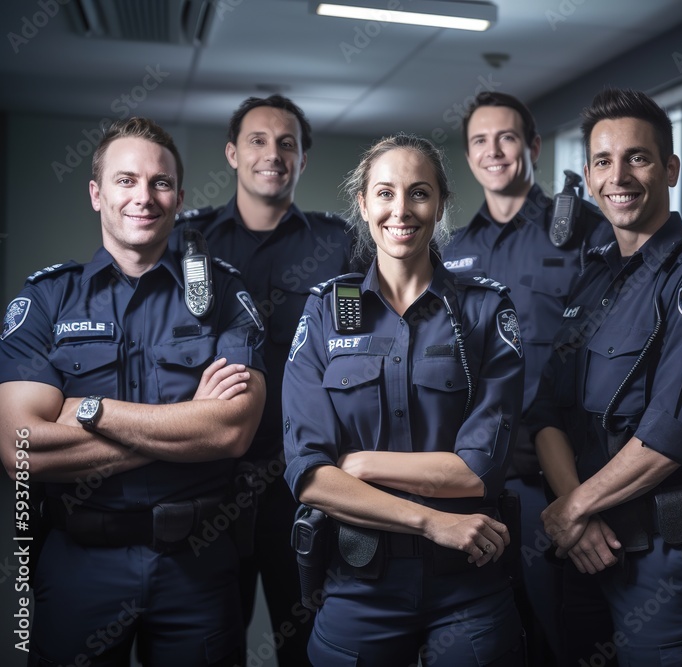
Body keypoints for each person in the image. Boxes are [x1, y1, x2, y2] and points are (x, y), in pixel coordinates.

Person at [0, 117, 266, 665]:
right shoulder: (48, 300)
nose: (143, 197)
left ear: (179, 198)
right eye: (125, 181)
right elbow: (20, 449)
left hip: (197, 564)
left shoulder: (225, 293)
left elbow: (233, 431)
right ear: (97, 194)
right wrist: (187, 422)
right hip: (79, 565)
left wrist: (90, 411)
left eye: (160, 183)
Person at [282, 133, 526, 665]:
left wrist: (359, 463)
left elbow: (478, 470)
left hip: (469, 584)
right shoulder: (325, 312)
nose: (401, 210)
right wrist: (432, 520)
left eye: (419, 193)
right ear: (364, 204)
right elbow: (307, 474)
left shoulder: (485, 311)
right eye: (385, 193)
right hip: (359, 580)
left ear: (439, 205)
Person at [529, 87, 682, 665]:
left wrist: (572, 511)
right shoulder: (592, 277)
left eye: (639, 157)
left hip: (661, 557)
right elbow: (547, 411)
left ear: (671, 168)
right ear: (588, 172)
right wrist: (576, 515)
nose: (618, 175)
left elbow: (671, 434)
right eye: (603, 161)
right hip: (584, 547)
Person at [173, 94, 353, 663]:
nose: (272, 154)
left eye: (287, 143)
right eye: (257, 140)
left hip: (301, 481)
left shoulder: (340, 242)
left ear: (303, 158)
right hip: (204, 481)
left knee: (305, 640)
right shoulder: (185, 243)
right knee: (203, 642)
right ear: (231, 153)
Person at [442, 90, 615, 665]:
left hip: (560, 477)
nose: (494, 152)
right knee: (487, 636)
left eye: (507, 137)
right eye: (479, 142)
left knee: (567, 636)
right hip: (479, 484)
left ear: (533, 147)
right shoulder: (453, 251)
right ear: (468, 157)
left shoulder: (590, 232)